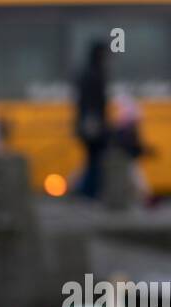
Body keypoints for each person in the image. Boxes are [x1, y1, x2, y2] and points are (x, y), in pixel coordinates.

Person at [74, 40, 109, 199]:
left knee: (92, 159)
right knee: (95, 160)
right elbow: (97, 104)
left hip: (87, 124)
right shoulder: (96, 74)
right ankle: (87, 191)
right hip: (94, 125)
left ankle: (86, 190)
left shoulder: (86, 73)